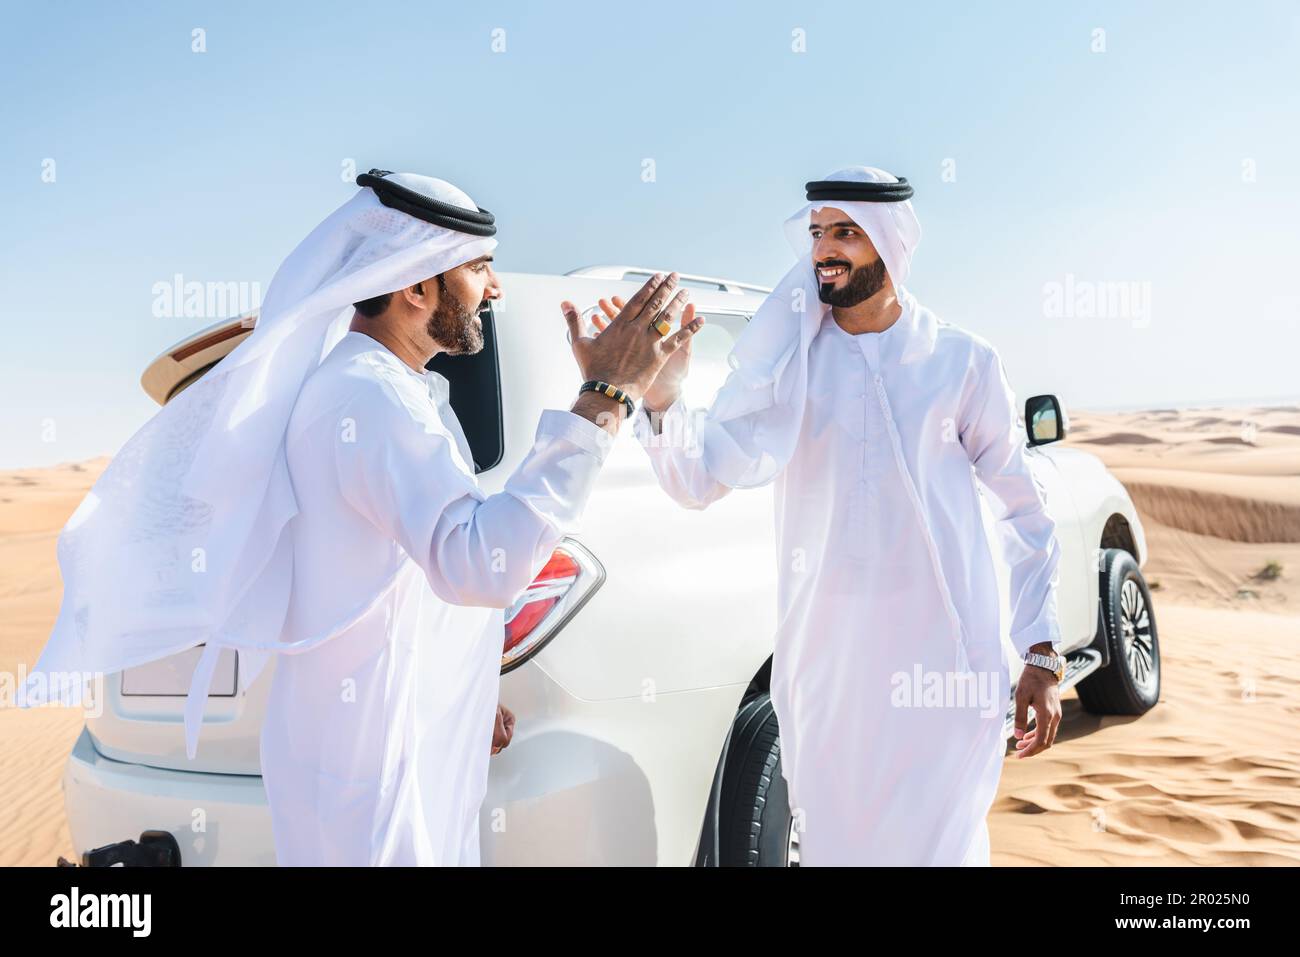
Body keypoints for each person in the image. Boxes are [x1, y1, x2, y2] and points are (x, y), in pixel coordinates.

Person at [18, 169, 701, 866]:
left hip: (383, 740)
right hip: (376, 763)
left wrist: (462, 690)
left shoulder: (384, 392)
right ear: (416, 286)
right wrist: (606, 395)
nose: (493, 289)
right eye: (479, 269)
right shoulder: (366, 401)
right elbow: (480, 563)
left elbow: (398, 568)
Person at [593, 166, 1065, 865]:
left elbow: (1024, 509)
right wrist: (662, 399)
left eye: (846, 232)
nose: (825, 250)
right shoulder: (790, 369)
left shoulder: (961, 363)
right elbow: (700, 477)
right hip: (830, 679)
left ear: (891, 243)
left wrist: (1042, 650)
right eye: (817, 233)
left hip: (947, 668)